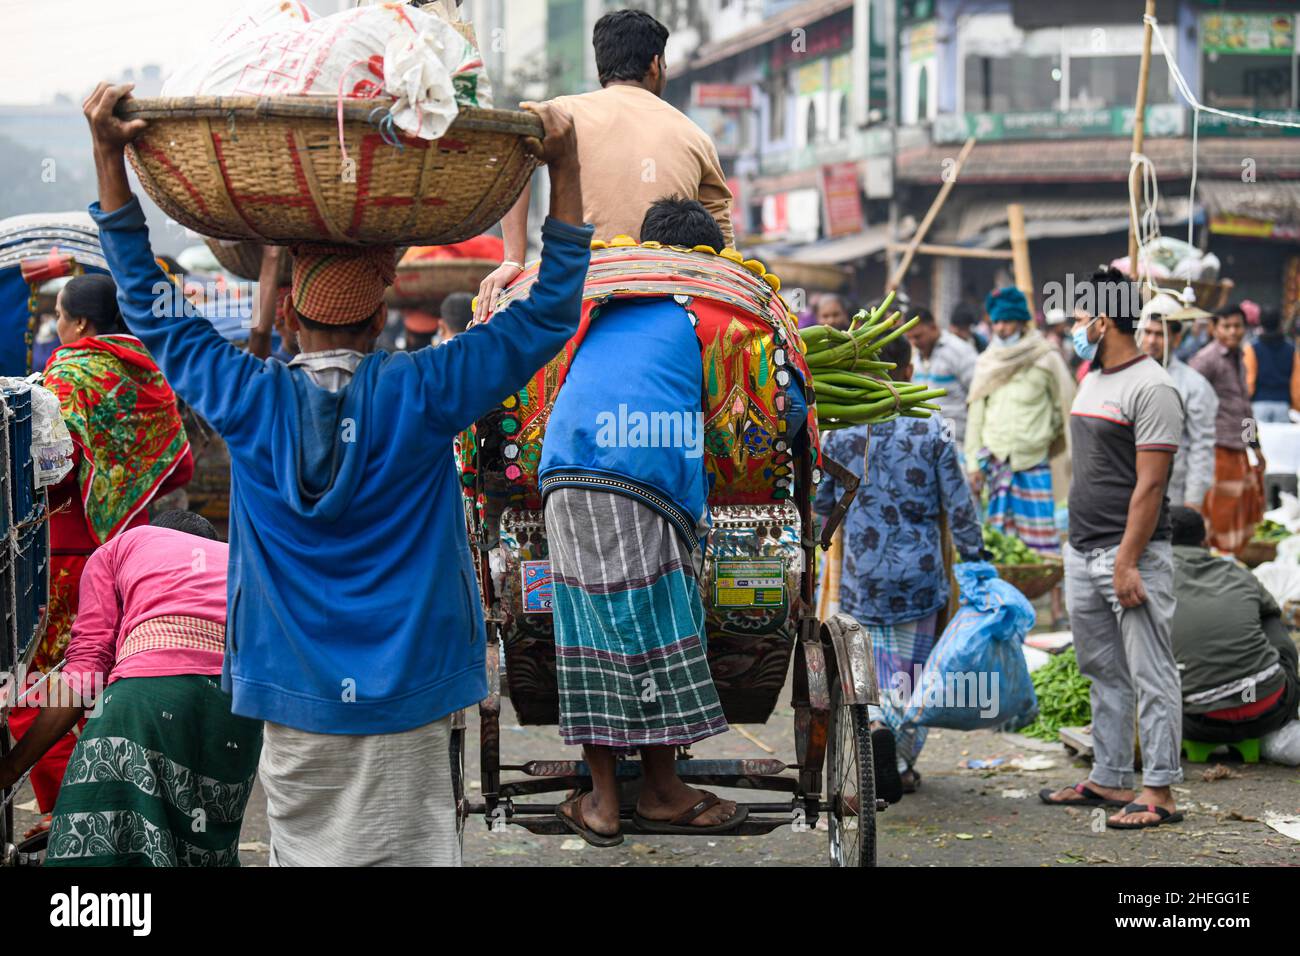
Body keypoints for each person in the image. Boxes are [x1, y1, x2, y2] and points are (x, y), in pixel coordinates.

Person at [83, 81, 590, 866]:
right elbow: (552, 309)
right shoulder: (424, 390)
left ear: (289, 314)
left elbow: (148, 304)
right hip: (413, 681)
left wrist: (108, 157)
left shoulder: (246, 397)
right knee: (413, 846)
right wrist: (564, 166)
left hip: (292, 690)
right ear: (380, 310)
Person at [539, 197, 794, 844]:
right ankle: (660, 791)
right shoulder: (714, 309)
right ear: (707, 255)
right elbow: (760, 419)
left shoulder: (600, 303)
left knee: (592, 630)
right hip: (639, 476)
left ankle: (601, 801)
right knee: (653, 625)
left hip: (564, 470)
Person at [7, 272, 194, 834]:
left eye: (59, 316)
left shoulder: (68, 373)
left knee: (37, 694)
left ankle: (70, 815)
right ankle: (108, 811)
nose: (56, 326)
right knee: (104, 690)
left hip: (64, 557)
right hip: (135, 558)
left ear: (81, 323)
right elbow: (178, 464)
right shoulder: (146, 374)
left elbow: (45, 468)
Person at [0, 511, 263, 866]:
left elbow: (85, 673)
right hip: (237, 710)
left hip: (143, 701)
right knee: (199, 845)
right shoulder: (242, 561)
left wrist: (13, 768)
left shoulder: (121, 546)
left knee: (102, 849)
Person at [1042, 266, 1186, 830]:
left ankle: (1159, 792)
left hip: (1131, 555)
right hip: (1082, 550)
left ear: (1103, 321)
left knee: (1152, 672)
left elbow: (1151, 485)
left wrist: (1127, 560)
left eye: (1080, 317)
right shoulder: (1092, 377)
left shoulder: (1153, 388)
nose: (1075, 326)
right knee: (1102, 668)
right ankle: (1109, 776)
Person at [476, 8, 732, 320]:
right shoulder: (696, 136)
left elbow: (512, 160)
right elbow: (721, 244)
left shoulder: (562, 114)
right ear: (655, 65)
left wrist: (513, 260)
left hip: (581, 295)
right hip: (674, 301)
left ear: (602, 69)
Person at [814, 334, 982, 802]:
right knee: (911, 675)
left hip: (862, 577)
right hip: (920, 576)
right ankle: (901, 764)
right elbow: (961, 507)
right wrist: (975, 560)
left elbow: (822, 507)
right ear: (910, 372)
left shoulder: (841, 433)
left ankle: (876, 734)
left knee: (869, 669)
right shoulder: (936, 429)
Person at [965, 286, 1074, 626]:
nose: (1002, 329)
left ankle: (1055, 610)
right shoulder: (987, 362)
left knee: (1045, 541)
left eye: (1009, 322)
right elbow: (976, 416)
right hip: (996, 463)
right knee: (1000, 543)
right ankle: (1005, 610)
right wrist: (972, 463)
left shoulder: (1046, 357)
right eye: (997, 323)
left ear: (1023, 323)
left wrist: (1055, 447)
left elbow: (1065, 409)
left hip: (1034, 462)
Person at [1167, 506, 1298, 755]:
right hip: (1267, 708)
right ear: (1204, 541)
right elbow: (1272, 614)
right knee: (1269, 617)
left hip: (1200, 721)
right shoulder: (1238, 573)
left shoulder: (1151, 581)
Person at [1190, 303, 1266, 555]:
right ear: (1214, 328)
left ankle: (1229, 562)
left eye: (1238, 326)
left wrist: (1255, 446)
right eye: (1227, 326)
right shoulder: (1206, 359)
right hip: (1217, 448)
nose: (1233, 331)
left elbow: (1243, 406)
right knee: (1218, 515)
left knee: (1239, 512)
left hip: (1238, 448)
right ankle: (1216, 563)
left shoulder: (1240, 357)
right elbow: (1189, 399)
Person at [1136, 295, 1217, 512]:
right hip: (1130, 490)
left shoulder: (1194, 385)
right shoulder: (1129, 377)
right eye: (1148, 332)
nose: (1152, 341)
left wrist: (1194, 500)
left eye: (1160, 334)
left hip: (1174, 494)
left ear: (1177, 339)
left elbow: (1202, 445)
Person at [905, 305, 977, 452]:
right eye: (910, 338)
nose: (914, 342)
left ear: (933, 327)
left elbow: (978, 395)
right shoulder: (914, 356)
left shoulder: (959, 351)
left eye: (918, 336)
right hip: (924, 442)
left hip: (957, 443)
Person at [1243, 305, 1299, 423]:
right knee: (1280, 441)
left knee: (1251, 439)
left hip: (1257, 404)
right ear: (1280, 322)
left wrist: (1245, 403)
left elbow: (1249, 380)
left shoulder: (1251, 348)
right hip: (1283, 405)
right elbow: (1296, 382)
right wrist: (1296, 406)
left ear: (1261, 322)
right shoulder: (1292, 349)